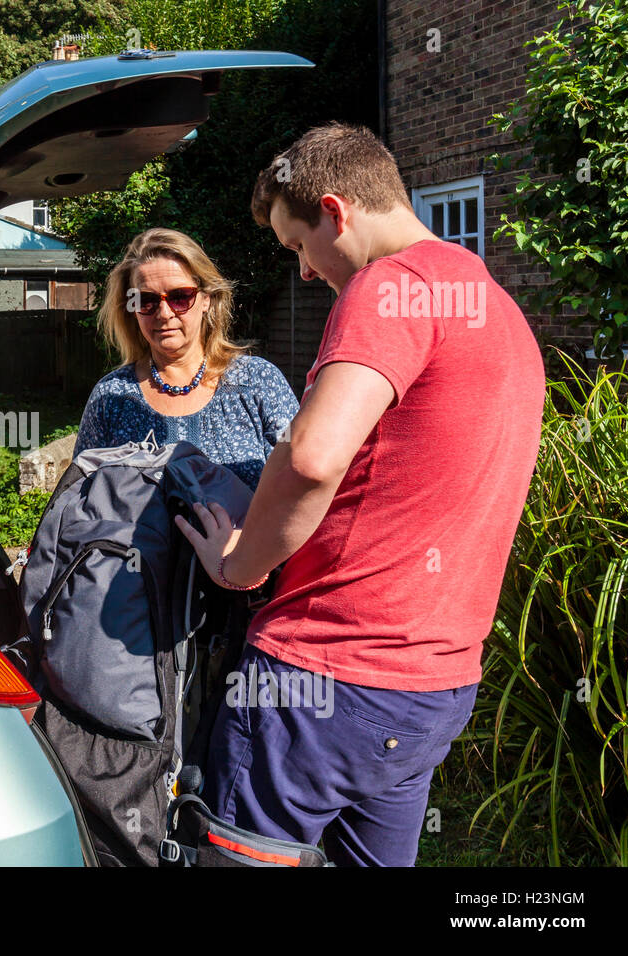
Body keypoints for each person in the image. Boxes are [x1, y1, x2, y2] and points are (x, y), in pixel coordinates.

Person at [173, 122, 546, 866]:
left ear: (337, 213)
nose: (305, 272)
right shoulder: (495, 306)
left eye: (297, 245)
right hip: (433, 689)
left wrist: (240, 563)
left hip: (324, 675)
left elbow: (311, 456)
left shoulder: (392, 288)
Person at [73, 227, 299, 492]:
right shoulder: (111, 397)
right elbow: (80, 499)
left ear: (206, 299)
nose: (164, 313)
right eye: (146, 300)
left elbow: (300, 484)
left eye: (180, 297)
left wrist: (242, 535)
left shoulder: (258, 382)